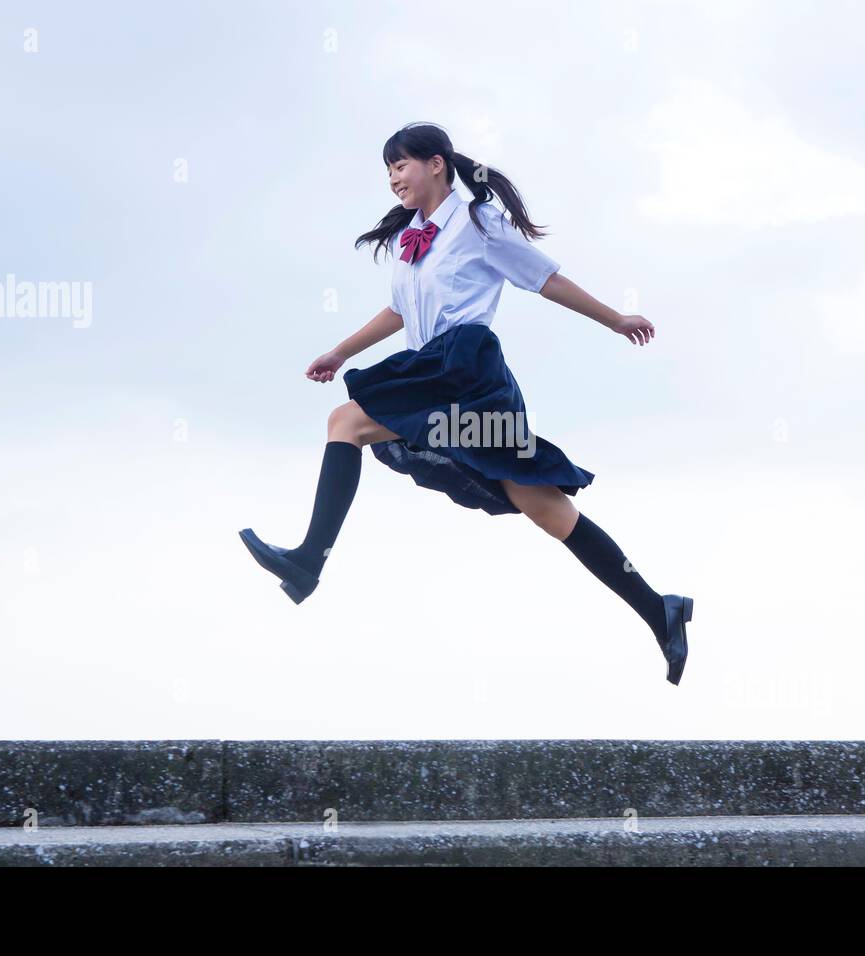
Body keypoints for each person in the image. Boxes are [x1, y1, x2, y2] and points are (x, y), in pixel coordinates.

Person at [240, 121, 693, 685]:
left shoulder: (479, 222)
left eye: (400, 165)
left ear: (436, 164)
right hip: (438, 369)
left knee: (347, 422)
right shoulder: (413, 241)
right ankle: (659, 609)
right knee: (546, 507)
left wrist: (616, 319)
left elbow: (544, 279)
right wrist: (338, 351)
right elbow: (400, 313)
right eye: (387, 171)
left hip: (465, 369)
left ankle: (309, 560)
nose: (393, 179)